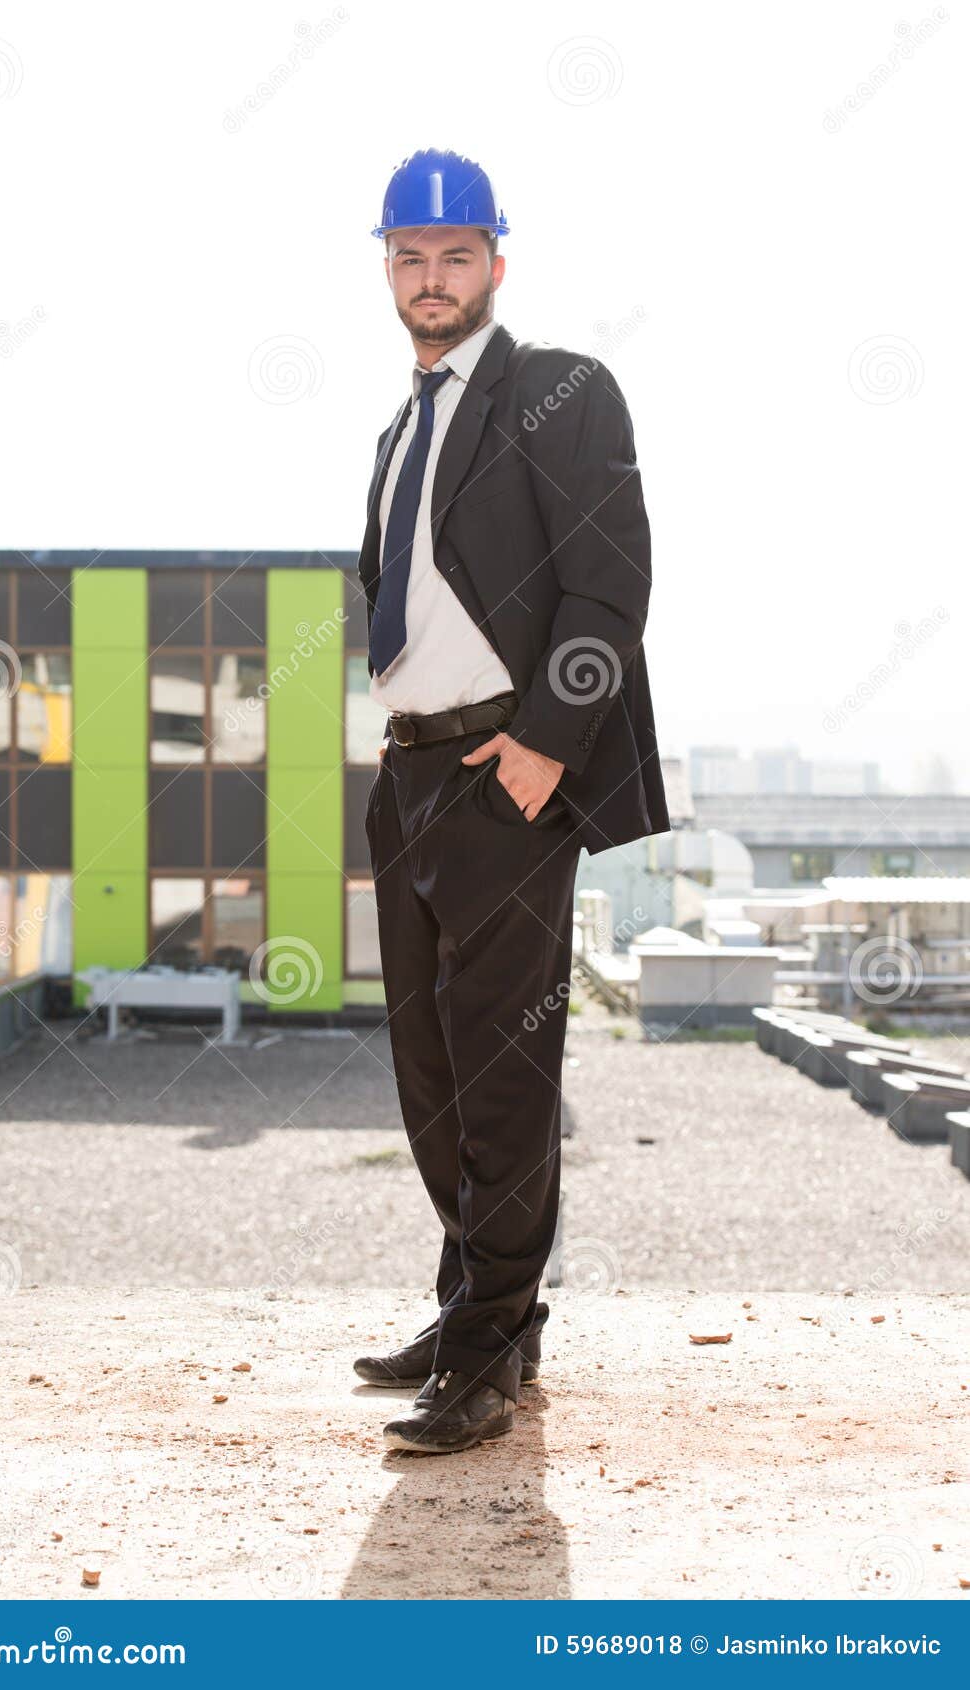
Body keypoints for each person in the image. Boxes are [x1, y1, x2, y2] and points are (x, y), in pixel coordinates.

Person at [354, 148, 669, 1454]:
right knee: (430, 1072)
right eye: (411, 257)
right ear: (389, 265)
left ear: (496, 261)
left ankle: (489, 1353)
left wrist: (546, 743)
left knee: (500, 1071)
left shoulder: (559, 390)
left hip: (505, 770)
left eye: (457, 256)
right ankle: (481, 1303)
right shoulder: (399, 424)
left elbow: (611, 587)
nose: (433, 279)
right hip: (412, 771)